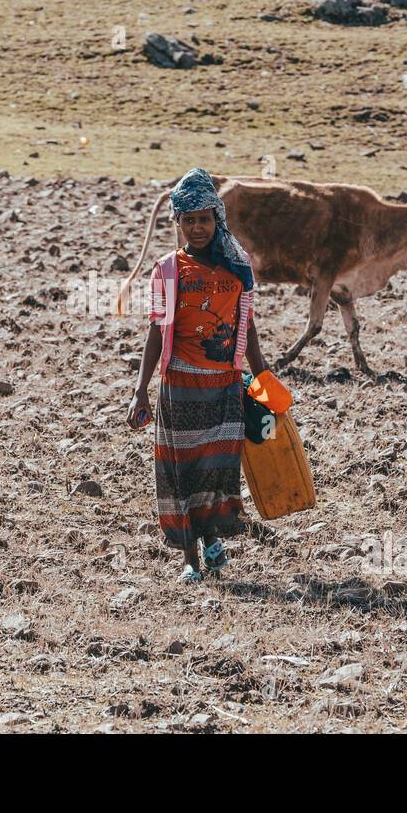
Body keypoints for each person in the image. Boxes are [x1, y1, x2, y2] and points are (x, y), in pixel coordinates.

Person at [126, 168, 272, 583]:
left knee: (216, 471)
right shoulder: (168, 270)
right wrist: (141, 391)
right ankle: (191, 557)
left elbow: (249, 326)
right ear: (178, 223)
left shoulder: (236, 267)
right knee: (182, 472)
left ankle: (211, 536)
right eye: (188, 220)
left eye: (203, 219)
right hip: (180, 387)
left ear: (217, 218)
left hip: (224, 385)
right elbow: (157, 329)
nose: (197, 227)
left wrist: (264, 380)